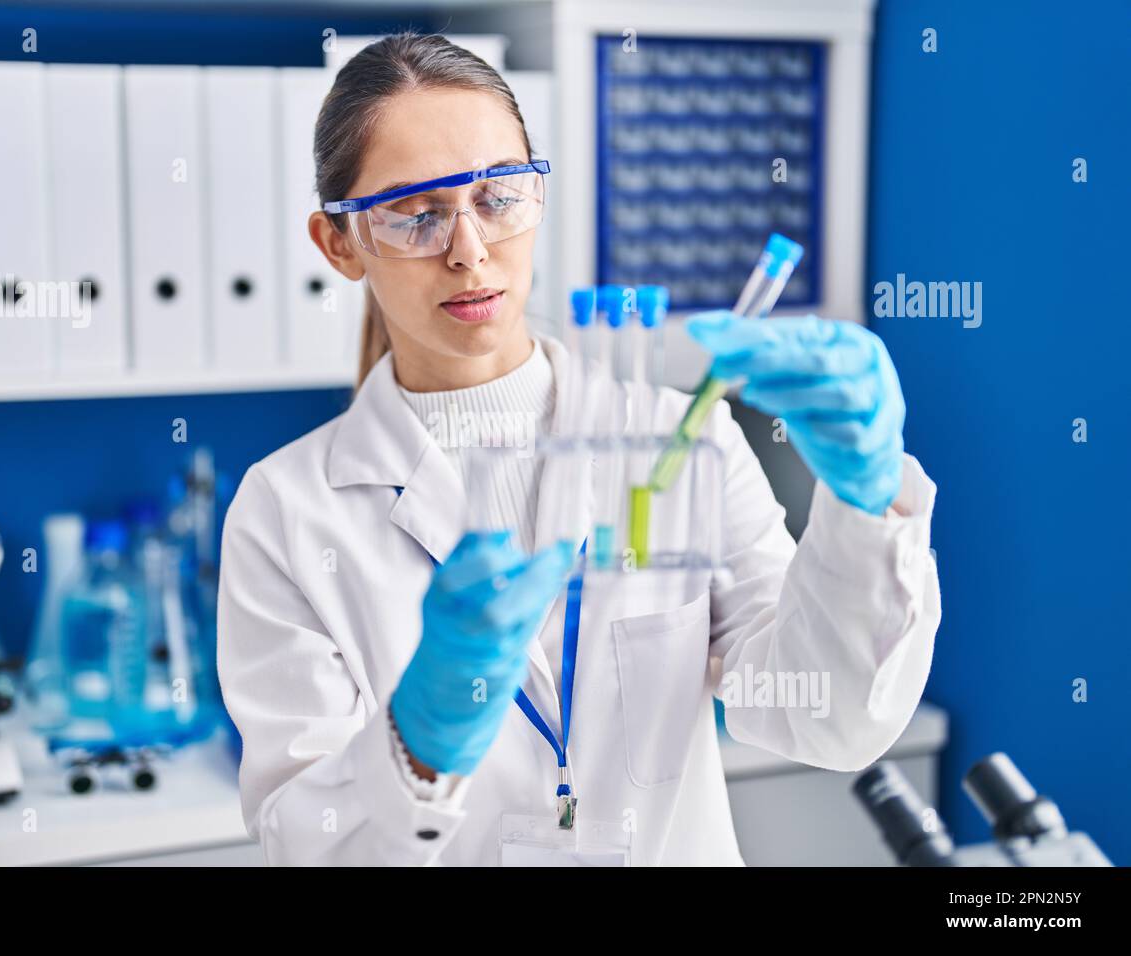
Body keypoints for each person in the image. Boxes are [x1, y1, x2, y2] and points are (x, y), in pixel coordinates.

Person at [217, 32, 940, 866]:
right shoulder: (287, 510)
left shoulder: (681, 439)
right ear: (339, 242)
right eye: (416, 214)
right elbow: (304, 845)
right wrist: (418, 739)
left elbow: (831, 718)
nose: (469, 250)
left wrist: (865, 503)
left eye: (498, 197)